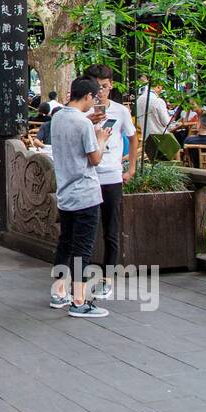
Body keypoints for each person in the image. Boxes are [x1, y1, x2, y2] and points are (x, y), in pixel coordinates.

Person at [49, 77, 114, 317]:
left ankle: (58, 292)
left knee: (65, 243)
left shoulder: (57, 117)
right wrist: (102, 139)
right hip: (85, 193)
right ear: (88, 95)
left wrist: (90, 126)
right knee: (82, 249)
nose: (94, 102)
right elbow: (94, 159)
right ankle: (79, 301)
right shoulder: (84, 125)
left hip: (65, 192)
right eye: (94, 98)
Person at [83, 63, 138, 300]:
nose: (100, 92)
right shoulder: (81, 112)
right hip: (88, 176)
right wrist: (88, 120)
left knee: (111, 229)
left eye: (104, 87)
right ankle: (78, 278)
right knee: (85, 228)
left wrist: (131, 168)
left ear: (111, 85)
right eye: (96, 88)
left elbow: (133, 138)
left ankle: (107, 279)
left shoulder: (121, 111)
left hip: (112, 176)